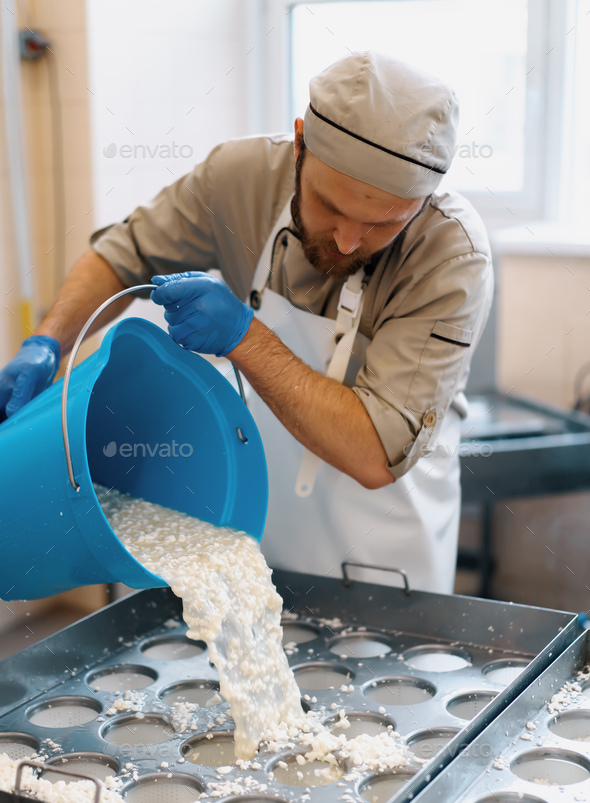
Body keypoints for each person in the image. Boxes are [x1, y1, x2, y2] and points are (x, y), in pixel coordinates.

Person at [0, 52, 493, 594]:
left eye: (382, 225)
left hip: (383, 548)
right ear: (301, 143)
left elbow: (374, 452)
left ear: (421, 202)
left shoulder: (451, 256)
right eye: (330, 207)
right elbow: (125, 255)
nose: (349, 241)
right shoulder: (241, 178)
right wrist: (48, 339)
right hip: (265, 521)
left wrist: (245, 337)